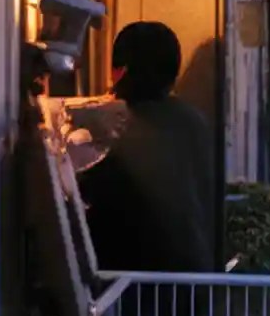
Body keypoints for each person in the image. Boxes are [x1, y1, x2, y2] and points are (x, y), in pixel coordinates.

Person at [78, 21, 216, 277]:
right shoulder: (191, 122)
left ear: (123, 71)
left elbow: (93, 192)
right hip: (191, 283)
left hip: (139, 289)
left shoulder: (125, 125)